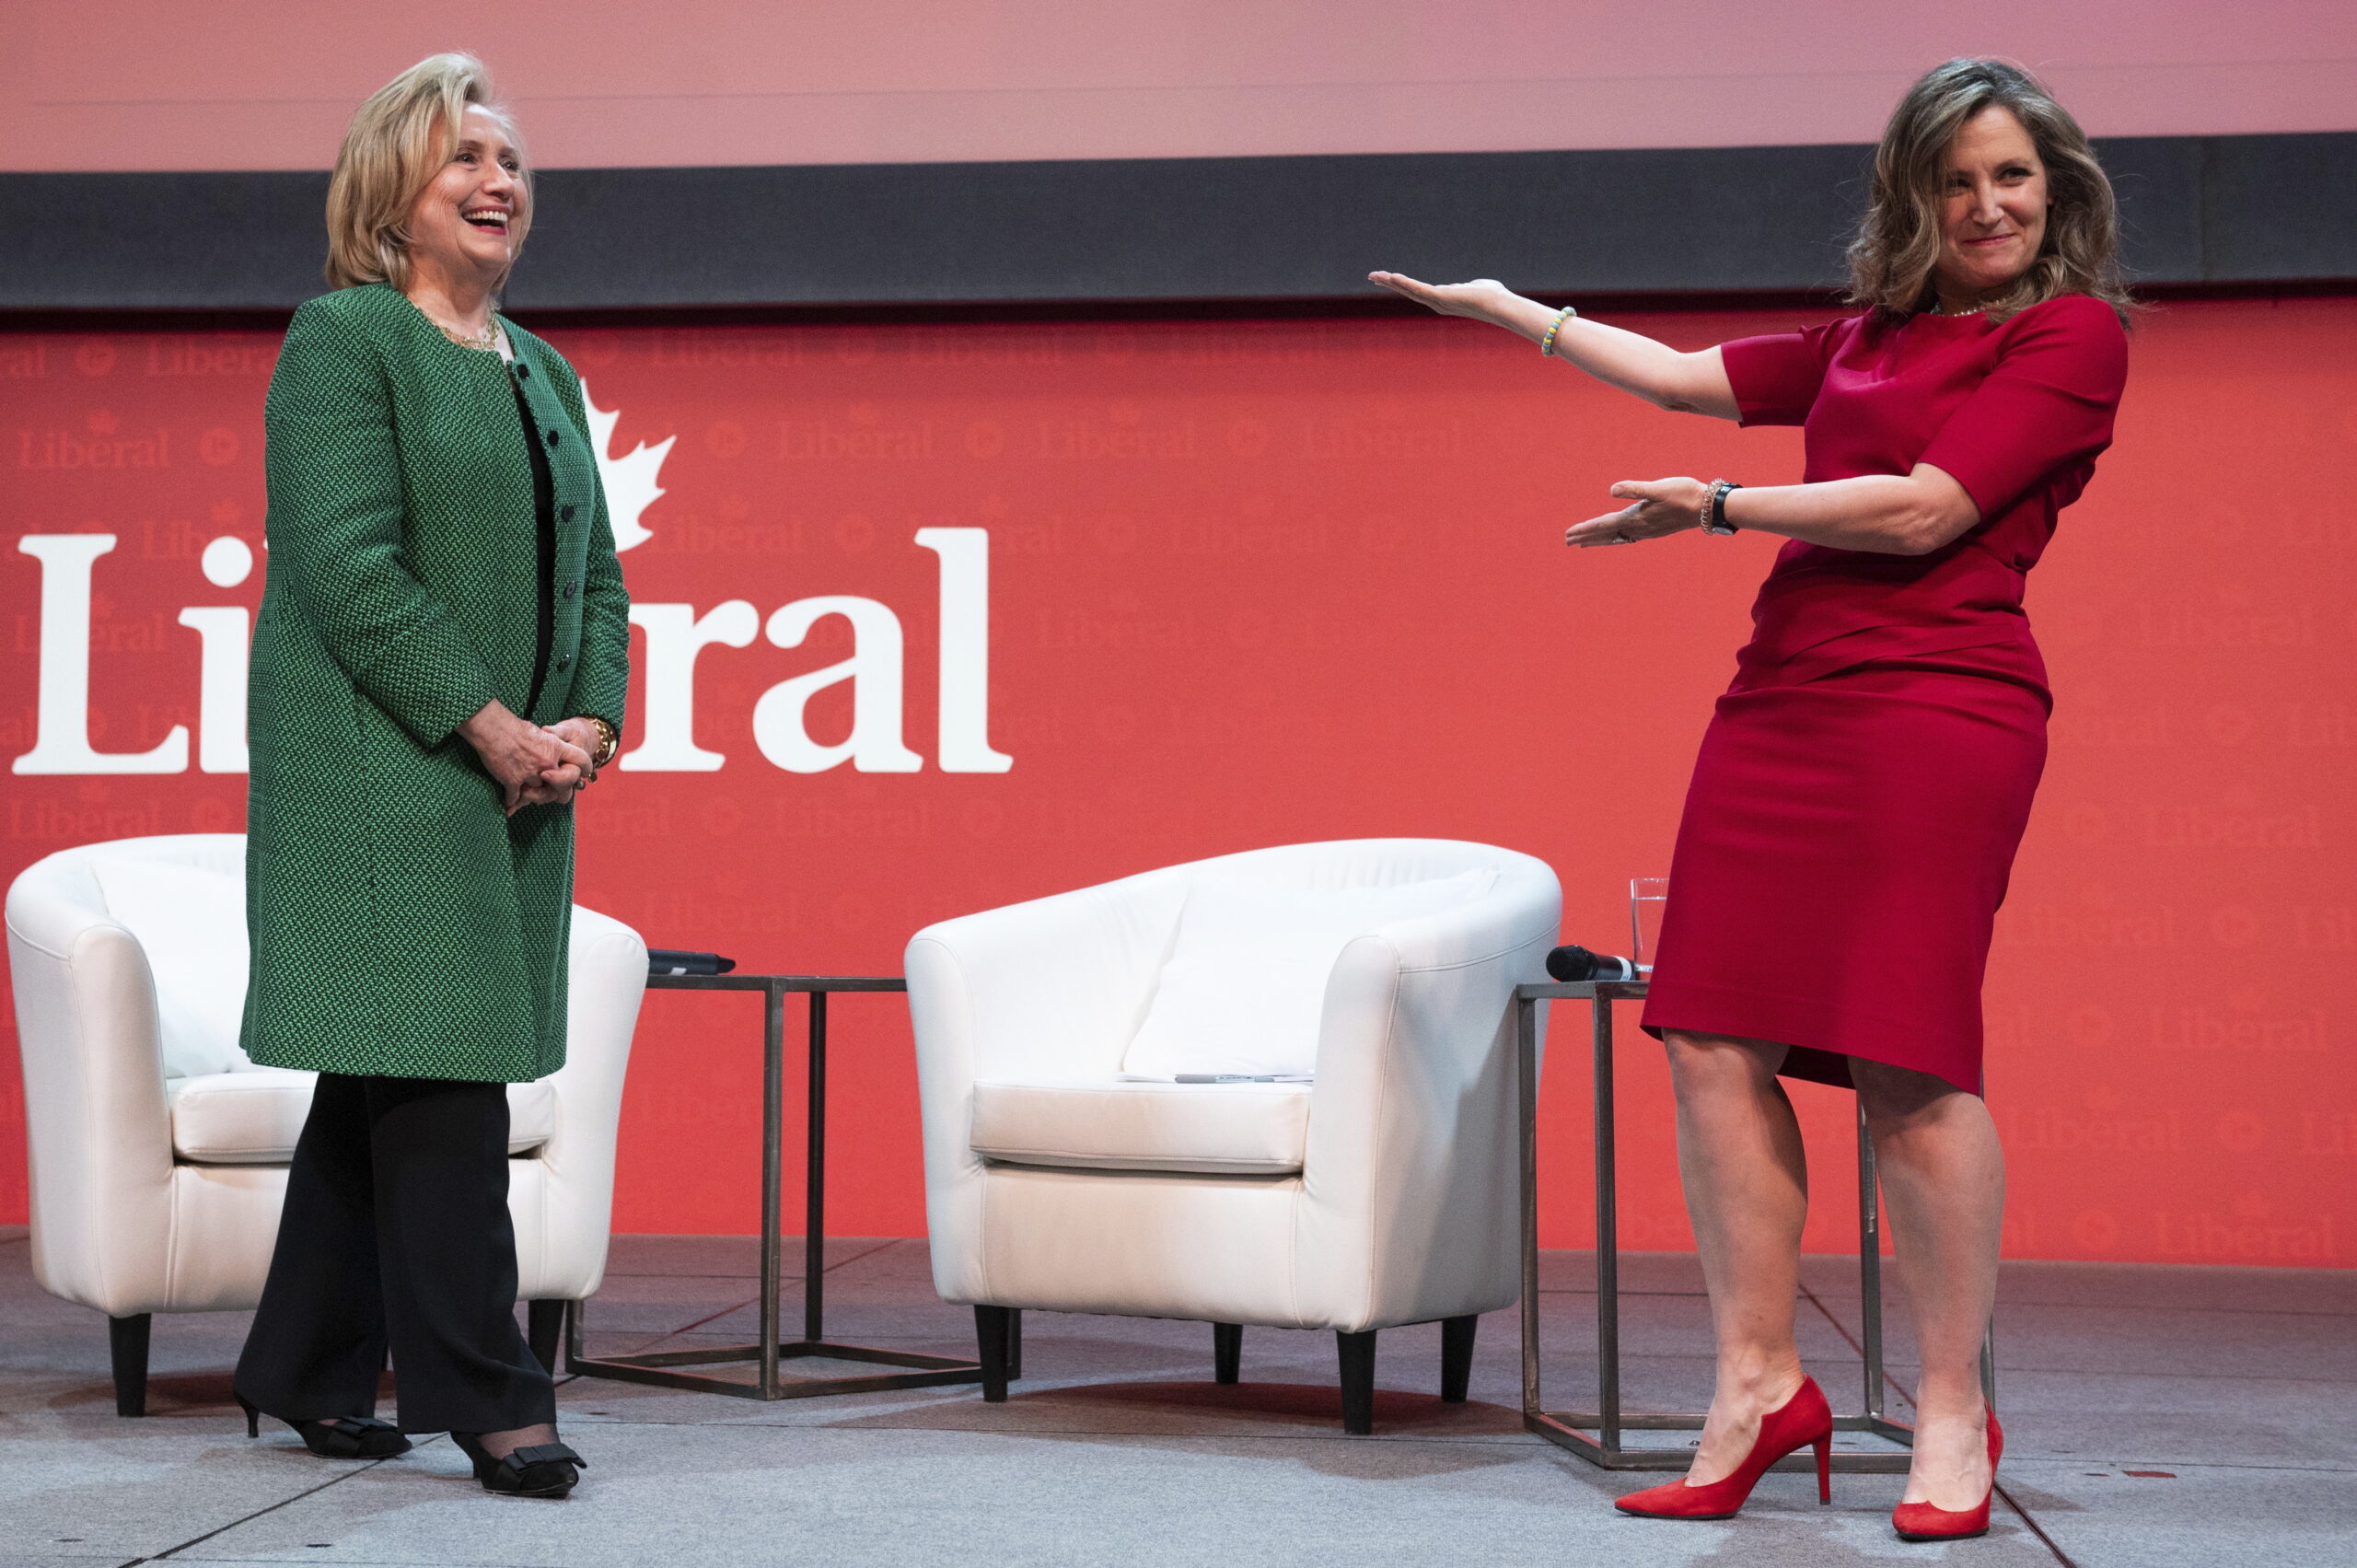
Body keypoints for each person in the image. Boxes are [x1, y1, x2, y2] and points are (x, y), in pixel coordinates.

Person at [1373, 57, 2130, 1542]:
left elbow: (1927, 504)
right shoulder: (1867, 335)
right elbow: (1683, 378)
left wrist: (1715, 511)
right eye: (1957, 179)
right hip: (1782, 705)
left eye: (2013, 178)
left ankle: (1955, 1409)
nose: (1987, 205)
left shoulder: (2075, 332)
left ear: (2057, 191)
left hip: (1939, 704)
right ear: (1915, 193)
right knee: (1710, 1034)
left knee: (1910, 1057)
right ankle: (1755, 1385)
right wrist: (1512, 310)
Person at [231, 52, 629, 1500]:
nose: (499, 181)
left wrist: (586, 725)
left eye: (512, 160)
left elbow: (600, 579)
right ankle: (495, 1395)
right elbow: (345, 565)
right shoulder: (346, 340)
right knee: (447, 1081)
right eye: (465, 158)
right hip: (386, 771)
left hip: (514, 777)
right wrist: (484, 721)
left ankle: (302, 1367)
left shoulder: (547, 371)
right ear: (391, 194)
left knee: (391, 1076)